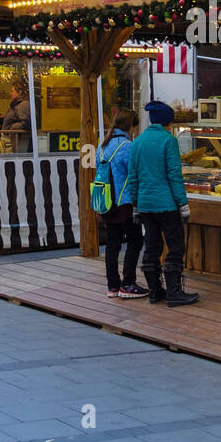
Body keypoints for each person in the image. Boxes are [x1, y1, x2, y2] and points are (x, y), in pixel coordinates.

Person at [126, 100, 197, 307]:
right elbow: (174, 174)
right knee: (175, 246)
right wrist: (183, 204)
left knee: (152, 246)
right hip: (166, 204)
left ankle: (155, 292)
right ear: (168, 122)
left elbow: (133, 176)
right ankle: (174, 293)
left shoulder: (138, 141)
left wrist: (135, 204)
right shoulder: (168, 140)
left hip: (145, 204)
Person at [98, 109, 147, 299]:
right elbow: (135, 173)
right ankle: (128, 283)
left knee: (113, 244)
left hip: (105, 201)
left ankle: (112, 286)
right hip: (124, 202)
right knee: (135, 241)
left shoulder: (102, 145)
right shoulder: (127, 146)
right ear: (131, 126)